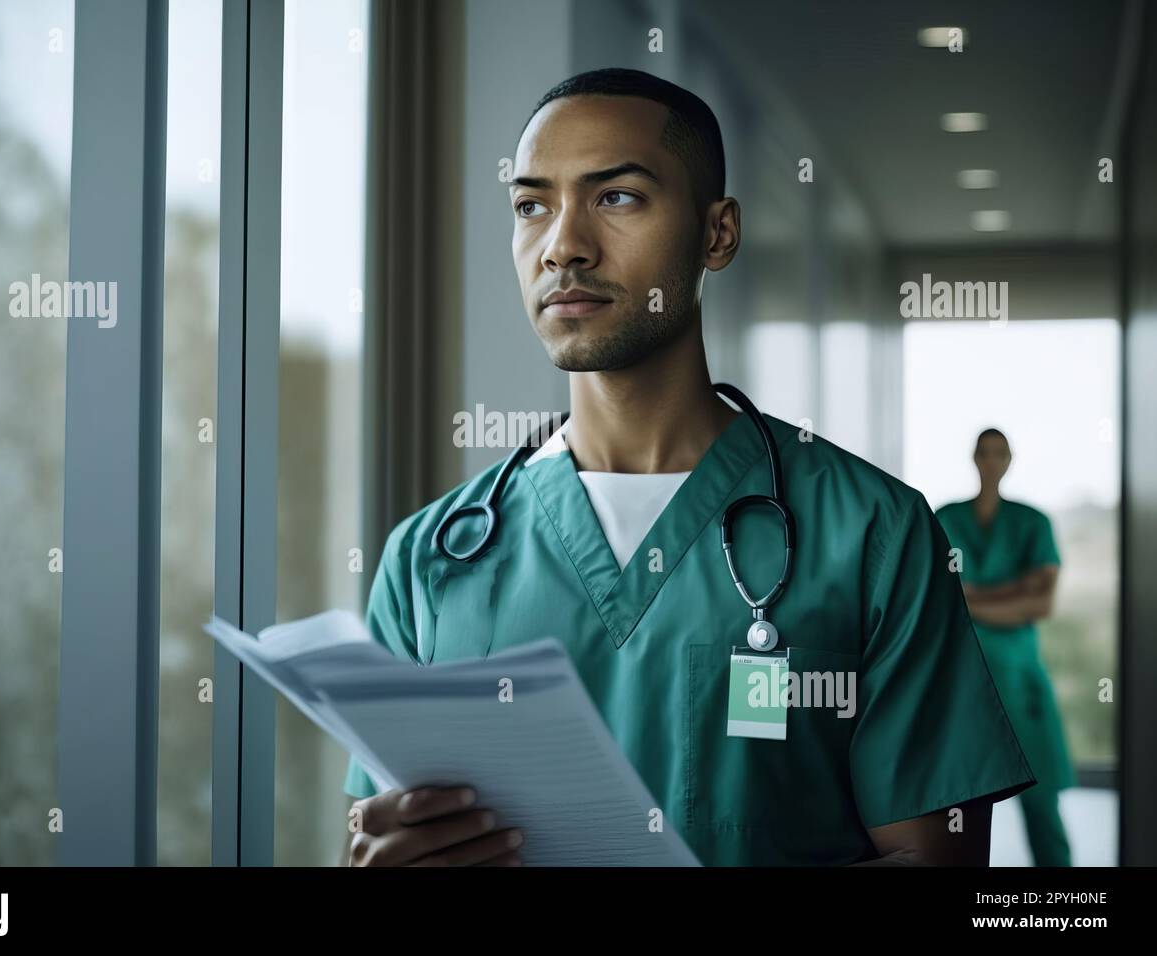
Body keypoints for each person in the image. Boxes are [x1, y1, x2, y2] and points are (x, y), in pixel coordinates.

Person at [341, 67, 1034, 867]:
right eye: (532, 206)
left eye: (618, 197)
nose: (563, 244)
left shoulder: (873, 531)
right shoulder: (432, 557)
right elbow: (375, 830)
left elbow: (939, 862)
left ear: (718, 234)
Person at [936, 429, 1075, 867]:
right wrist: (1014, 591)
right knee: (955, 812)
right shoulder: (946, 517)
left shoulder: (1033, 522)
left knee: (1042, 808)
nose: (992, 460)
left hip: (1019, 683)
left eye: (1000, 452)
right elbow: (940, 600)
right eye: (985, 451)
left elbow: (1043, 601)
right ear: (973, 457)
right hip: (964, 685)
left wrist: (970, 596)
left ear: (1010, 459)